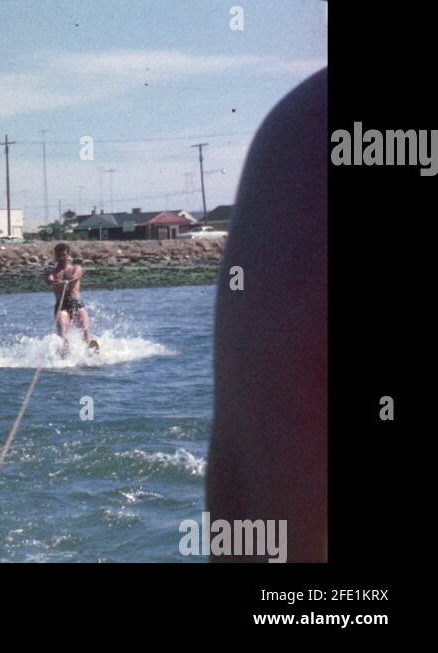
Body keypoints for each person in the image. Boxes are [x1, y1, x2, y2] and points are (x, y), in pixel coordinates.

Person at [207, 67, 327, 562]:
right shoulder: (307, 125)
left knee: (76, 321)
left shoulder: (307, 128)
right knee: (64, 322)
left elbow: (260, 484)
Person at [46, 242, 93, 354]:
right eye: (59, 255)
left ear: (68, 255)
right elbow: (49, 279)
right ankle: (65, 355)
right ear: (55, 256)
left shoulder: (76, 268)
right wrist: (53, 281)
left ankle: (90, 350)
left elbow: (77, 275)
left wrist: (69, 280)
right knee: (62, 331)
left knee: (84, 328)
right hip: (61, 305)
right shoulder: (52, 272)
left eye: (64, 255)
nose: (61, 258)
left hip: (76, 302)